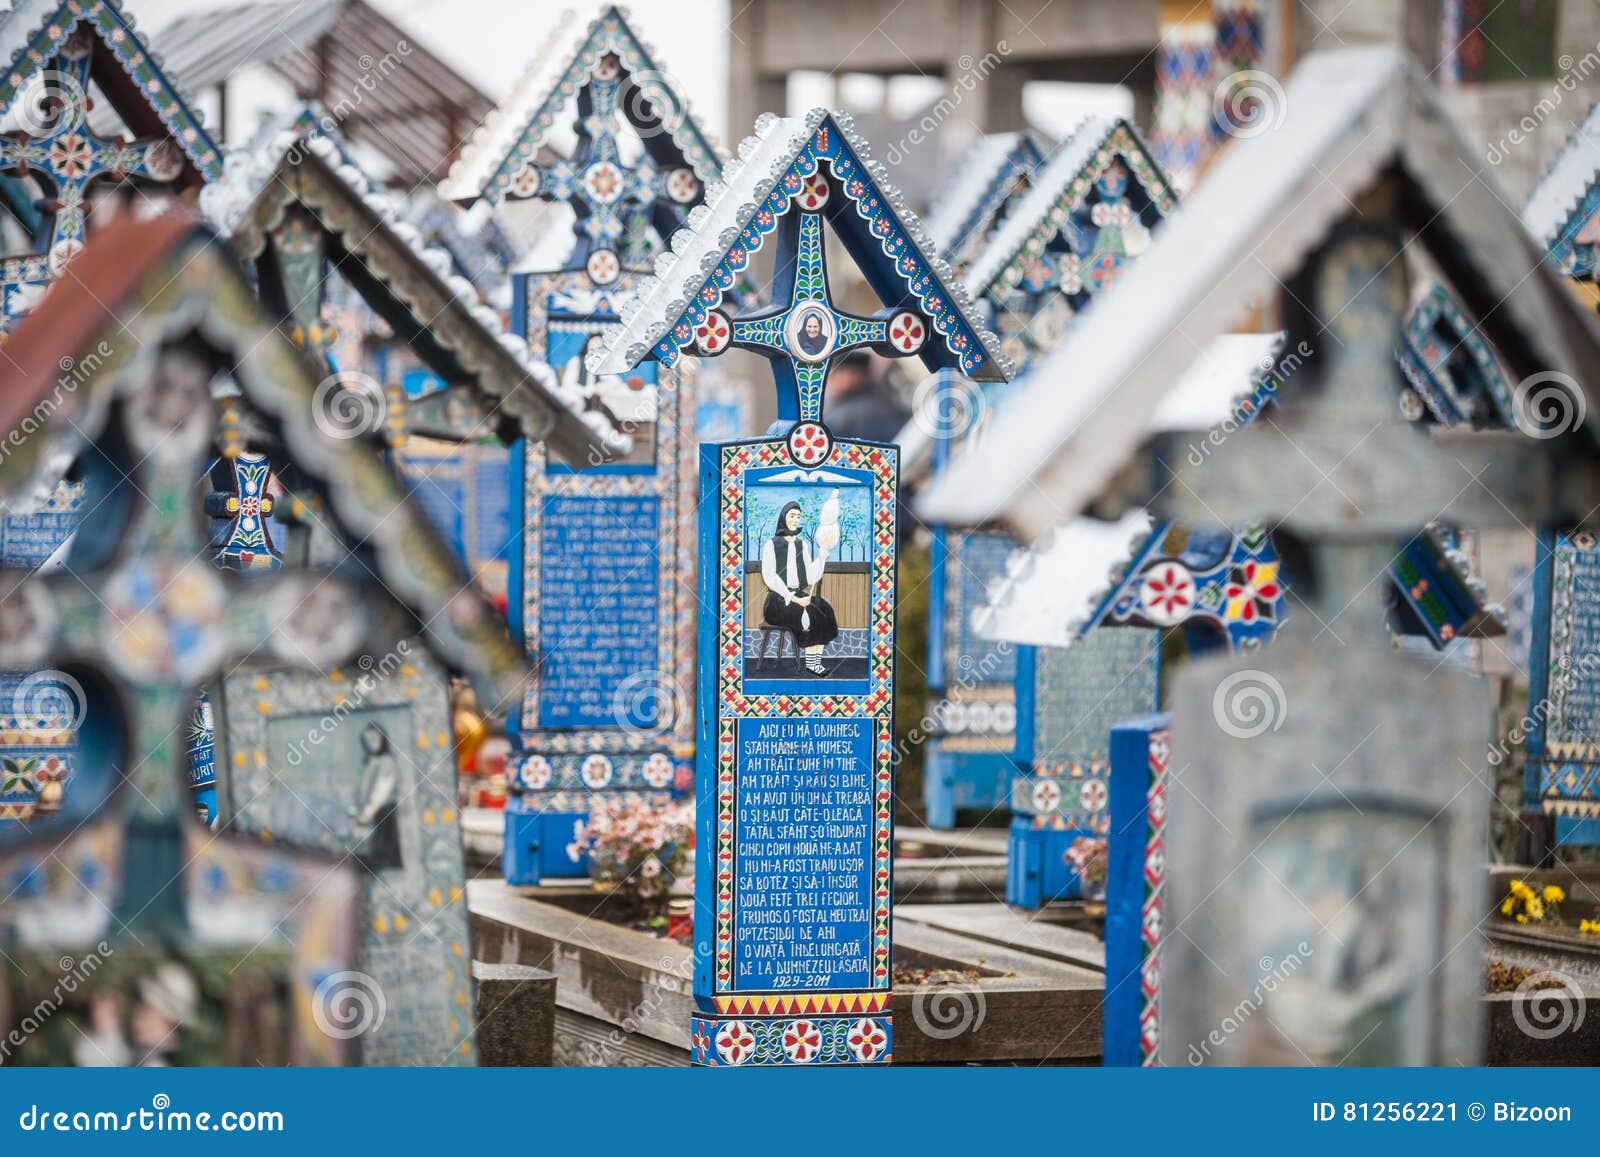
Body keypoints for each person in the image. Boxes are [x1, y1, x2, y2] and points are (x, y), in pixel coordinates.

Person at [760, 500, 838, 675]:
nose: (796, 519)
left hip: (798, 595)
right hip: (777, 600)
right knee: (810, 612)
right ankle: (812, 665)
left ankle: (815, 663)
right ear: (784, 517)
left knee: (823, 608)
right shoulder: (771, 545)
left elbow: (811, 576)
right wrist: (794, 599)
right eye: (792, 515)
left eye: (798, 516)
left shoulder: (802, 545)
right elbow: (770, 577)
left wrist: (821, 557)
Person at [823, 350, 908, 444]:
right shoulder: (878, 402)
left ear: (849, 375)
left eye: (834, 374)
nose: (830, 381)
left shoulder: (847, 414)